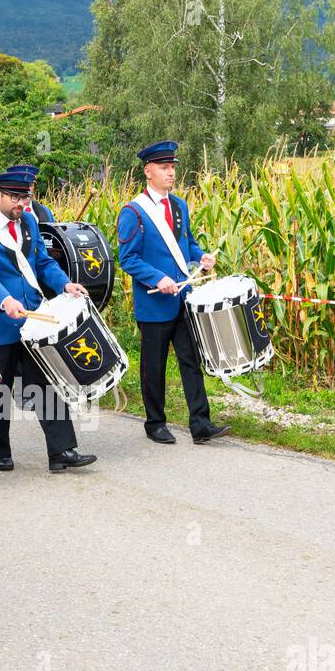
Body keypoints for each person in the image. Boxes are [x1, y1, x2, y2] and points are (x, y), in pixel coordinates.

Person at [0, 167, 98, 473]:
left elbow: (43, 262)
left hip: (33, 320)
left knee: (46, 383)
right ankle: (1, 451)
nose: (20, 203)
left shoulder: (30, 225)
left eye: (24, 197)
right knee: (1, 390)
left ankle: (61, 451)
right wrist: (4, 300)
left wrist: (65, 283)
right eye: (13, 196)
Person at [117, 140, 229, 445]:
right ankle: (155, 423)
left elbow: (186, 245)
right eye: (164, 168)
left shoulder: (179, 205)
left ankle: (200, 423)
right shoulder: (133, 212)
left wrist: (202, 257)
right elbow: (127, 259)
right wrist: (158, 278)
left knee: (191, 360)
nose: (171, 173)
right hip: (154, 303)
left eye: (173, 168)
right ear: (148, 171)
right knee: (154, 366)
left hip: (183, 298)